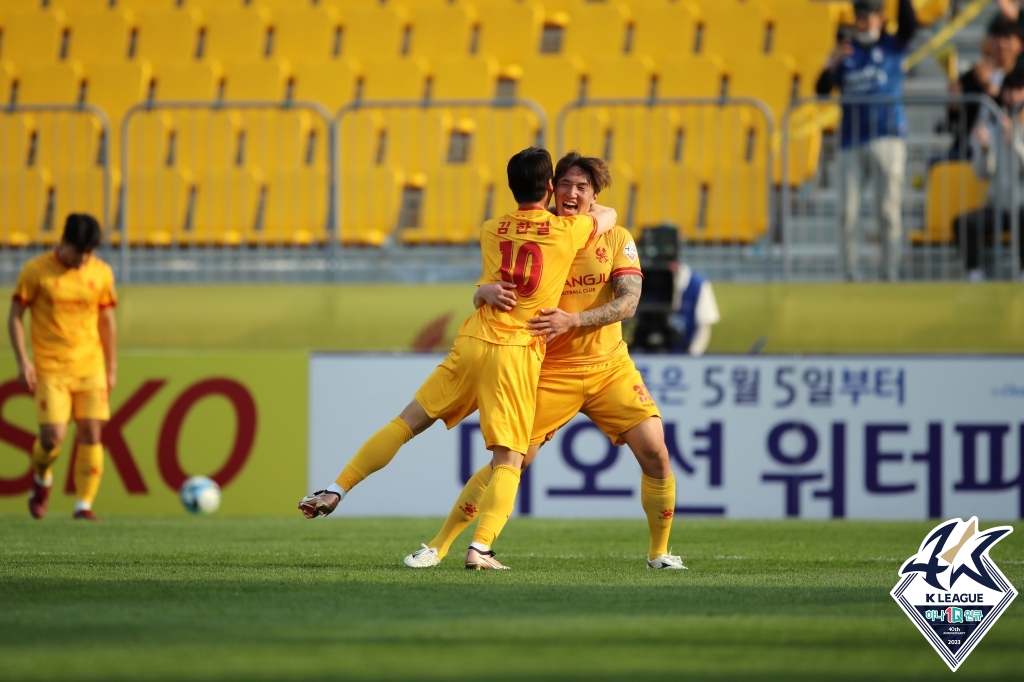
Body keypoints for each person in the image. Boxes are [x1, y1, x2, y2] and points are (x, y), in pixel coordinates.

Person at [298, 148, 618, 570]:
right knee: (510, 458)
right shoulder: (567, 231)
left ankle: (336, 488)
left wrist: (480, 292)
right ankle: (481, 548)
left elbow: (490, 283)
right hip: (515, 352)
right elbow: (607, 216)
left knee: (405, 422)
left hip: (472, 340)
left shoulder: (491, 228)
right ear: (548, 188)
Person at [403, 152, 685, 571]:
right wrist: (481, 293)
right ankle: (440, 546)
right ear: (551, 188)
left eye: (583, 187)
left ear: (594, 195)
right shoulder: (540, 234)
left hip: (610, 368)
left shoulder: (615, 236)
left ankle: (659, 554)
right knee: (511, 461)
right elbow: (491, 289)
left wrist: (575, 319)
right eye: (566, 184)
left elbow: (629, 302)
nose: (573, 193)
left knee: (657, 453)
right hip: (549, 369)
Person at [8, 214, 118, 521]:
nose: (83, 259)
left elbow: (107, 321)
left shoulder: (102, 273)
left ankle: (84, 504)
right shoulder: (37, 271)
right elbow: (15, 315)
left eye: (89, 252)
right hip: (51, 368)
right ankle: (42, 479)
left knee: (92, 432)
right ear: (63, 242)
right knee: (52, 438)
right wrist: (23, 360)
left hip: (90, 366)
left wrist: (112, 366)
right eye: (78, 251)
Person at [816, 0, 919, 281]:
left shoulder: (891, 46)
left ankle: (890, 272)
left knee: (887, 211)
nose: (862, 23)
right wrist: (833, 61)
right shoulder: (845, 53)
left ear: (880, 19)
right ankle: (849, 274)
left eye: (868, 17)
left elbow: (911, 25)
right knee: (847, 213)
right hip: (851, 141)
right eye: (858, 18)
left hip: (888, 136)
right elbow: (821, 90)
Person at [953, 66, 1024, 281]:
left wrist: (1014, 142)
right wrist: (984, 150)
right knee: (964, 222)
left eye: (1018, 90)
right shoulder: (992, 129)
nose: (1012, 96)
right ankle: (975, 276)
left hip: (1022, 206)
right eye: (1008, 90)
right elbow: (982, 173)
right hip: (999, 206)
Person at [948, 17, 1023, 159]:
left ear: (1020, 45)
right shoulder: (972, 76)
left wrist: (989, 87)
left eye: (1007, 37)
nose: (1001, 43)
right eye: (996, 37)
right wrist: (954, 103)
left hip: (1008, 152)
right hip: (970, 150)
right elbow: (955, 121)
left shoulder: (1020, 79)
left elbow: (1013, 114)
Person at [669, 262, 720, 356]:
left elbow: (704, 327)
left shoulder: (698, 284)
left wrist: (692, 357)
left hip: (687, 350)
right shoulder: (652, 280)